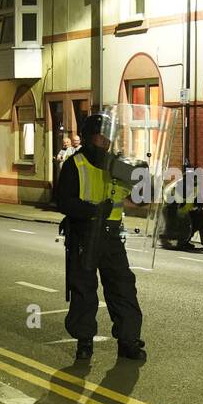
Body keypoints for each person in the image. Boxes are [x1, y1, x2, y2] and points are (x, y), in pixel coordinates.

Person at [56, 111, 146, 362]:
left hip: (112, 237)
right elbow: (64, 202)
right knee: (84, 291)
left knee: (123, 289)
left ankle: (128, 340)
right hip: (84, 236)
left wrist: (143, 180)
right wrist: (94, 211)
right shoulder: (76, 164)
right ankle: (84, 340)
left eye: (108, 137)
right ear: (87, 138)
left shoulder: (117, 165)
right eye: (100, 137)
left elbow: (139, 199)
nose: (105, 142)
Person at [159, 174, 203, 251]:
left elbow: (196, 198)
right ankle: (174, 239)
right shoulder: (181, 186)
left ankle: (182, 240)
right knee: (173, 224)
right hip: (171, 206)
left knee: (180, 223)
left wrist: (199, 207)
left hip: (174, 205)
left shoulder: (190, 186)